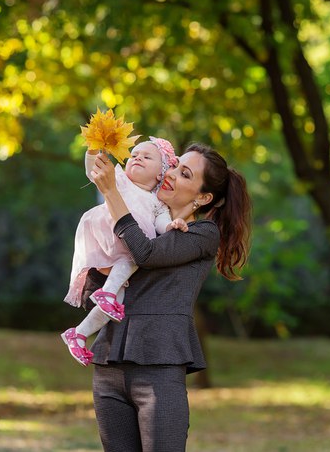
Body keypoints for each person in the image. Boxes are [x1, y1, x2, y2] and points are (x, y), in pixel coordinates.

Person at [83, 142, 252, 452]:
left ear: (203, 197)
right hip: (109, 366)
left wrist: (112, 193)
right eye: (174, 166)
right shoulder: (136, 220)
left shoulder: (202, 234)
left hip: (159, 370)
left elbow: (147, 254)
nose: (171, 174)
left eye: (185, 174)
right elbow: (94, 289)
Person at [61, 136, 183, 366]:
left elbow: (161, 223)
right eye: (134, 155)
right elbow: (93, 172)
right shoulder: (120, 179)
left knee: (117, 302)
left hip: (123, 249)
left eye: (147, 157)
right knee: (136, 253)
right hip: (107, 229)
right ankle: (107, 293)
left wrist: (171, 226)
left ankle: (78, 334)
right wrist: (93, 151)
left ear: (161, 173)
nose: (137, 158)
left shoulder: (158, 203)